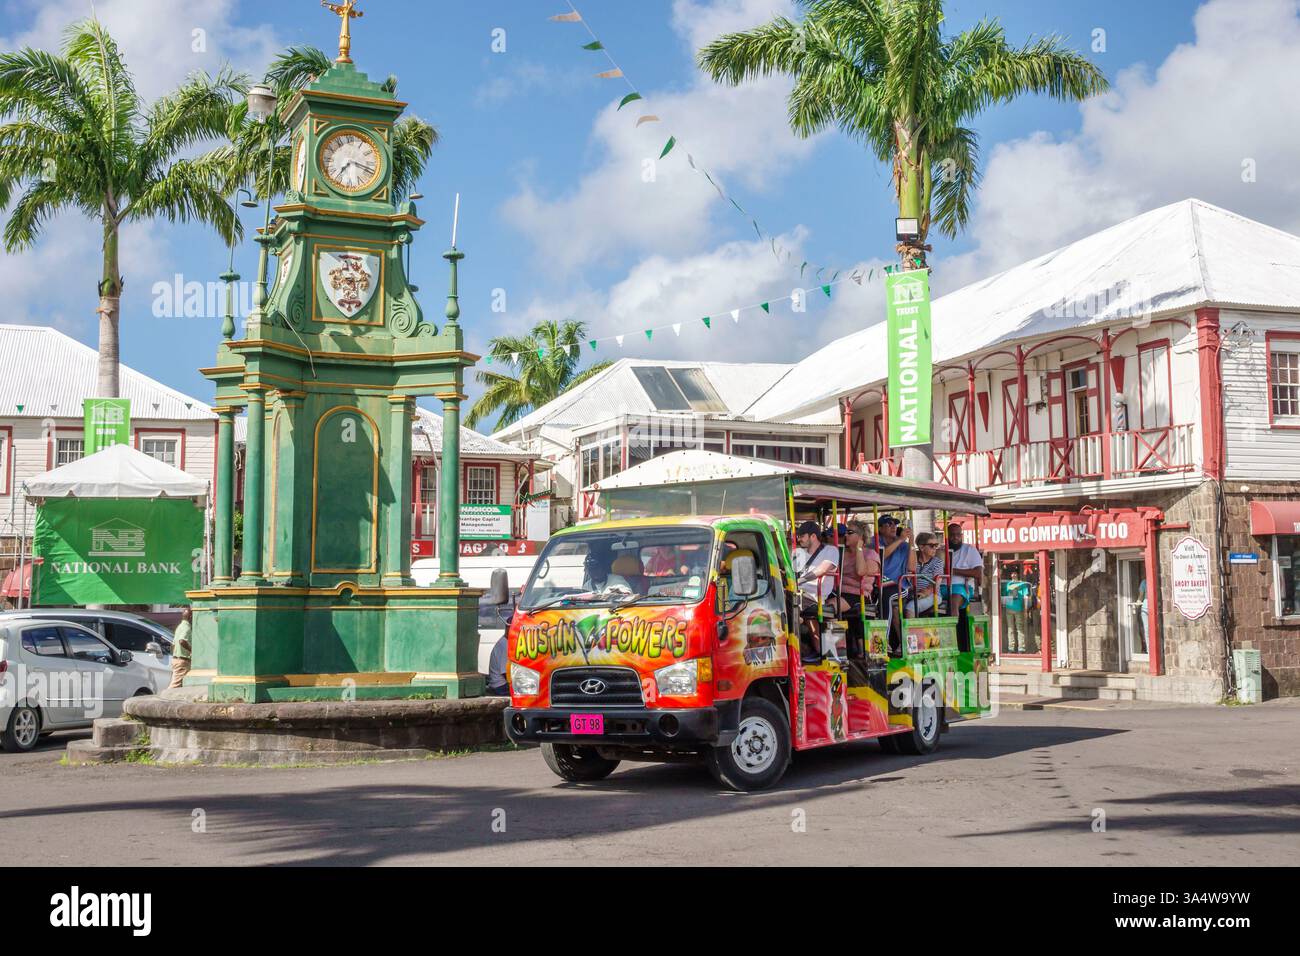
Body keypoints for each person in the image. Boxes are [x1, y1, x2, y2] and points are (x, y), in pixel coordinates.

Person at [794, 520, 839, 659]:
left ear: (813, 536)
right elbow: (791, 572)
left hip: (815, 596)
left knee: (787, 607)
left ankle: (801, 649)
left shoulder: (830, 550)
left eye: (802, 536)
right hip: (798, 593)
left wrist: (800, 580)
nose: (799, 539)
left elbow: (822, 569)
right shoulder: (798, 553)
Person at [838, 520, 881, 657]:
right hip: (839, 591)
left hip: (858, 594)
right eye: (845, 532)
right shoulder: (841, 553)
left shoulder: (870, 554)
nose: (846, 535)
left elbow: (861, 571)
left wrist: (859, 550)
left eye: (850, 532)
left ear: (861, 536)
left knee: (830, 608)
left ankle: (838, 650)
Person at [873, 515, 911, 621]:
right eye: (889, 524)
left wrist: (908, 541)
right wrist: (899, 540)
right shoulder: (874, 541)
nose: (893, 527)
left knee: (887, 596)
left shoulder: (904, 545)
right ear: (880, 528)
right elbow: (880, 556)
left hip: (898, 584)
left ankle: (885, 634)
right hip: (877, 582)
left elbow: (912, 567)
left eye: (895, 524)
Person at [945, 523, 984, 615]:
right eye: (952, 535)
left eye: (958, 535)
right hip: (939, 586)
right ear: (946, 536)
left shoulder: (969, 549)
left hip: (961, 587)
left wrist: (952, 571)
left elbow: (978, 573)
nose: (955, 537)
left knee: (953, 601)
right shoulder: (941, 550)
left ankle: (954, 628)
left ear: (961, 535)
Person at [905, 533, 947, 616]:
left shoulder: (937, 562)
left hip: (932, 595)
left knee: (911, 607)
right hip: (912, 594)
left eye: (936, 545)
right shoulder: (912, 561)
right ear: (921, 547)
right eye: (932, 545)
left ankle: (911, 629)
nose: (935, 548)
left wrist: (925, 593)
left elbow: (936, 582)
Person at [1001, 567, 1031, 653]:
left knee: (1019, 628)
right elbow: (1004, 597)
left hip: (1019, 608)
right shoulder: (1008, 584)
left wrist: (1025, 610)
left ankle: (1021, 648)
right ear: (1010, 575)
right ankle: (1011, 648)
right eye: (1012, 573)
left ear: (1017, 574)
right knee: (1010, 629)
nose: (1013, 575)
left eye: (1015, 573)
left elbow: (1026, 597)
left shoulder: (1022, 584)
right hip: (1009, 609)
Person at [168, 606, 192, 690]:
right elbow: (182, 641)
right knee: (175, 686)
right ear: (191, 617)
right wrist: (192, 650)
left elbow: (173, 644)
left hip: (176, 659)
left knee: (179, 686)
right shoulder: (187, 627)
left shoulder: (180, 627)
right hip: (182, 660)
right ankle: (165, 701)